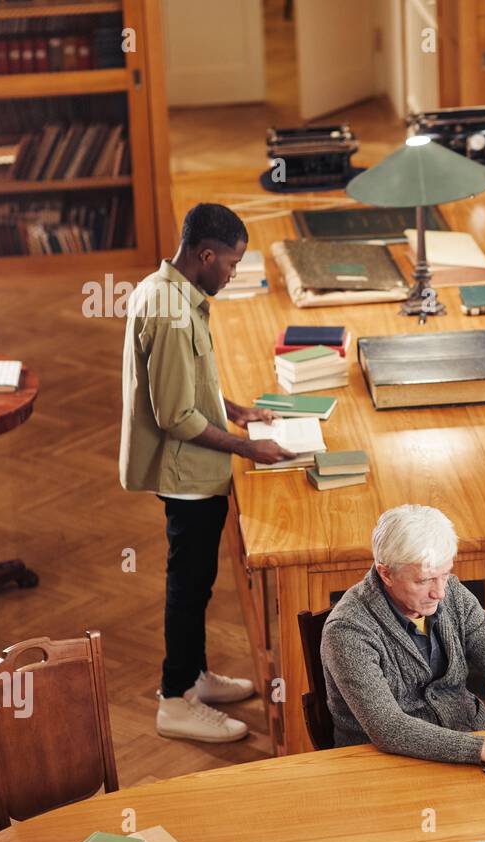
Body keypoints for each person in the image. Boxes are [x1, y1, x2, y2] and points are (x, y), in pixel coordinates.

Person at [120, 202, 297, 743]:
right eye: (232, 263)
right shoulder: (172, 313)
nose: (234, 272)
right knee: (187, 585)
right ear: (205, 255)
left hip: (197, 469)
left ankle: (195, 676)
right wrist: (247, 447)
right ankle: (175, 699)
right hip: (187, 475)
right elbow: (176, 416)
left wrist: (237, 410)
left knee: (197, 584)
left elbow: (187, 385)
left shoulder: (173, 292)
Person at [321, 504, 485, 776]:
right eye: (425, 580)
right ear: (385, 573)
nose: (439, 592)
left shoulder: (453, 594)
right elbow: (389, 727)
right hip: (385, 767)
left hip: (468, 749)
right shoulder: (348, 630)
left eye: (444, 575)